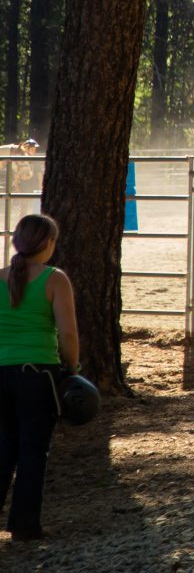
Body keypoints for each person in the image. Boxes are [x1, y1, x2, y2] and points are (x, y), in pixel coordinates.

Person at [0, 213, 78, 541]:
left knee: (3, 447)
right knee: (33, 450)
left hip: (0, 374)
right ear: (46, 244)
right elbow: (68, 333)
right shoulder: (54, 279)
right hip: (37, 374)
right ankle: (24, 525)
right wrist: (71, 369)